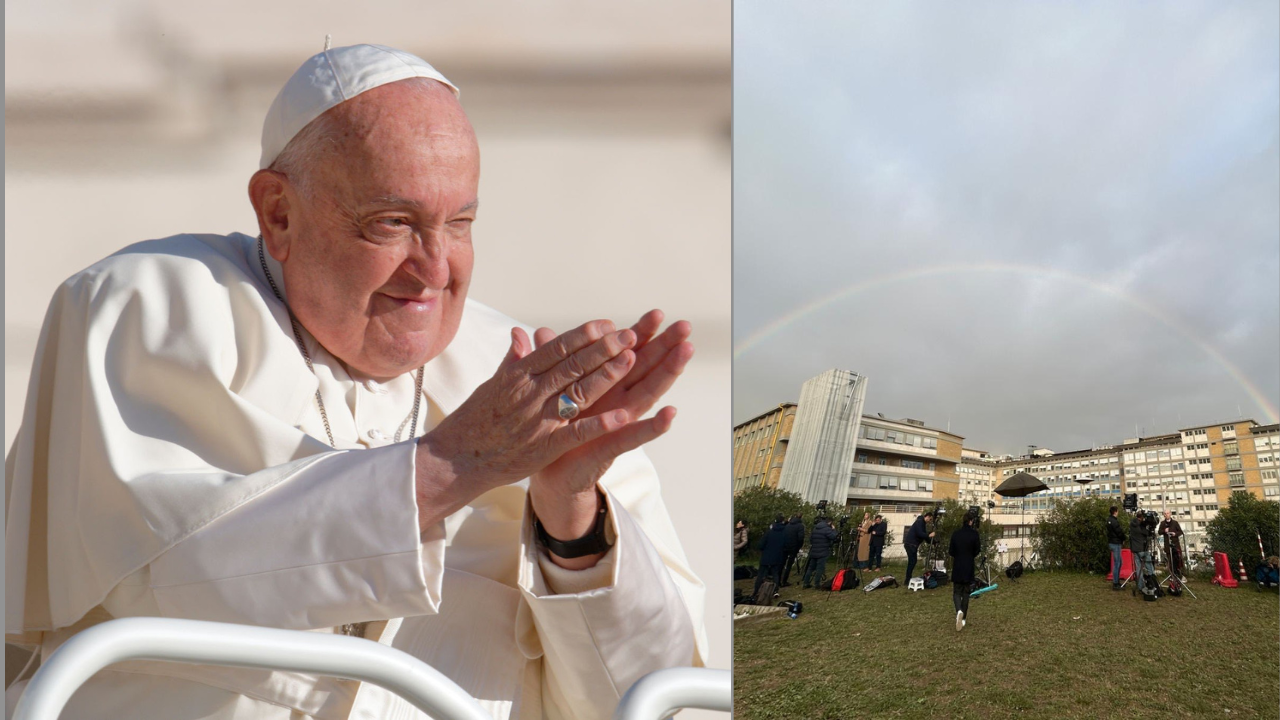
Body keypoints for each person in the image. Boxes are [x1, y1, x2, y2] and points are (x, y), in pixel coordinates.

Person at [4, 44, 704, 720]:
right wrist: (449, 467)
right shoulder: (152, 304)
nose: (434, 269)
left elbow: (649, 699)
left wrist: (572, 529)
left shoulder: (533, 390)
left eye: (459, 224)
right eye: (393, 223)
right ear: (279, 213)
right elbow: (164, 574)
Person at [949, 509, 982, 631]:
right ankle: (963, 619)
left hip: (957, 565)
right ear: (971, 521)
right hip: (968, 565)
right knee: (966, 593)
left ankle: (958, 610)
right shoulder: (974, 534)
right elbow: (977, 550)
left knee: (956, 592)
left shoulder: (956, 534)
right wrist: (970, 555)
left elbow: (951, 551)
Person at [754, 515, 789, 599]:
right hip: (777, 556)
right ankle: (775, 591)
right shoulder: (785, 533)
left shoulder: (769, 532)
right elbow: (786, 545)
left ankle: (756, 591)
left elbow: (760, 545)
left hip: (766, 556)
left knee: (761, 574)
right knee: (775, 574)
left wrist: (764, 550)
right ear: (783, 521)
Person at [802, 516, 840, 589]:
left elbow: (811, 540)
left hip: (814, 550)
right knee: (820, 568)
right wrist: (834, 529)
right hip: (823, 551)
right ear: (830, 522)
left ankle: (806, 583)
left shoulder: (815, 528)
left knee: (810, 568)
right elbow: (834, 536)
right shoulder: (827, 529)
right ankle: (817, 584)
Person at [1130, 510, 1157, 600]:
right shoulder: (1141, 527)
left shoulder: (1132, 523)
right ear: (1141, 518)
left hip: (1134, 549)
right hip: (1142, 549)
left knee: (1139, 569)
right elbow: (1148, 533)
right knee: (1149, 566)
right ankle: (1153, 584)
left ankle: (1140, 587)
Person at [903, 510, 936, 583]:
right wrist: (929, 535)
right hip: (911, 544)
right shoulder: (919, 521)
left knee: (913, 561)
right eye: (930, 519)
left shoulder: (922, 524)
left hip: (912, 545)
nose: (929, 521)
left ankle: (908, 578)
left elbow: (924, 536)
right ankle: (907, 579)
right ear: (927, 516)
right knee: (912, 561)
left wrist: (933, 542)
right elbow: (920, 533)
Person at [781, 513, 806, 586]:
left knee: (782, 563)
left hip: (785, 546)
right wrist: (799, 546)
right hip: (793, 547)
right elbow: (800, 538)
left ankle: (778, 580)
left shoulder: (788, 525)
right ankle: (784, 581)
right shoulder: (800, 526)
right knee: (789, 565)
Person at [1158, 510, 1185, 577]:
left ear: (1170, 514)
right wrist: (1164, 531)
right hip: (1167, 545)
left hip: (1175, 544)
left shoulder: (1175, 523)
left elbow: (1180, 532)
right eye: (1165, 513)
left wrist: (1175, 534)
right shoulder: (1162, 523)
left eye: (1167, 513)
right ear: (1164, 515)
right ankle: (1172, 575)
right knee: (1170, 560)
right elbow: (1159, 532)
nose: (1166, 515)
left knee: (1178, 559)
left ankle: (1180, 574)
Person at [1107, 505, 1127, 590]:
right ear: (1115, 512)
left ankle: (1117, 581)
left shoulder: (1108, 520)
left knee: (1119, 562)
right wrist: (1124, 538)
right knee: (1117, 563)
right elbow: (1119, 532)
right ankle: (1115, 583)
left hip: (1112, 542)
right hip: (1116, 543)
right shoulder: (1114, 521)